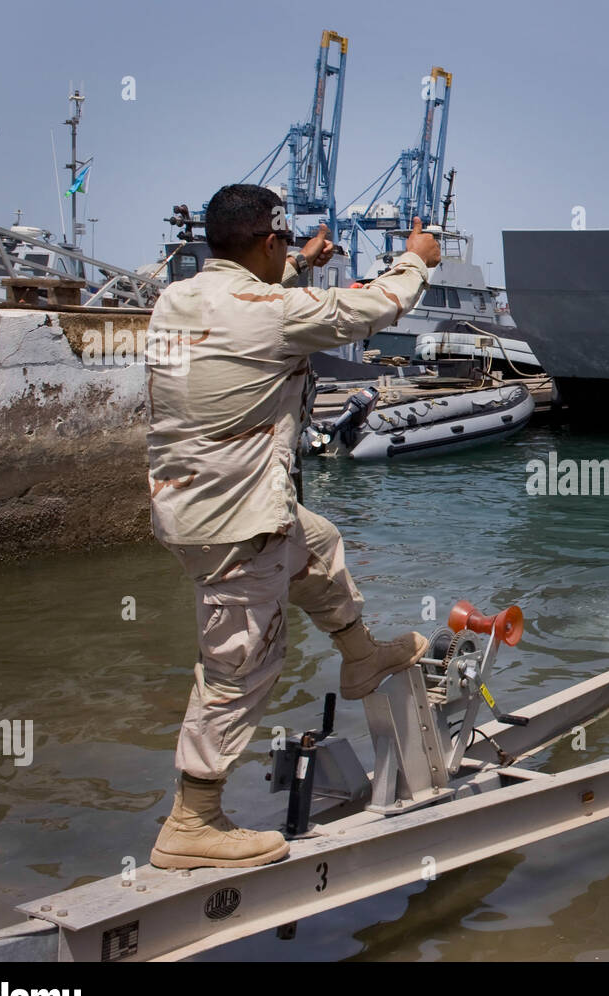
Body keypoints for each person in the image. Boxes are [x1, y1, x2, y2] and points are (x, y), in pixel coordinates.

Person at [144, 184, 442, 869]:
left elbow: (249, 303)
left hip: (200, 502)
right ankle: (192, 821)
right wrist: (417, 260)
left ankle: (361, 657)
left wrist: (300, 262)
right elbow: (375, 306)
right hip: (236, 519)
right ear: (268, 241)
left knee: (319, 546)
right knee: (241, 663)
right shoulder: (276, 312)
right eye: (282, 244)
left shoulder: (177, 299)